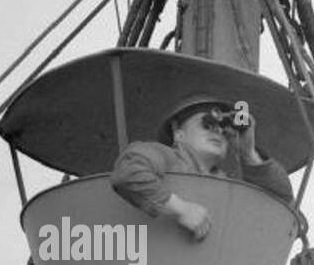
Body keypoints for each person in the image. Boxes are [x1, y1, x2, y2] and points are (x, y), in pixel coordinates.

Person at [110, 94, 293, 241]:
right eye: (207, 124)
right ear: (179, 134)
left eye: (223, 128)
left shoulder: (226, 183)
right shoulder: (166, 156)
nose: (218, 132)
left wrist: (249, 153)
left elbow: (282, 200)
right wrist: (181, 208)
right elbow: (129, 172)